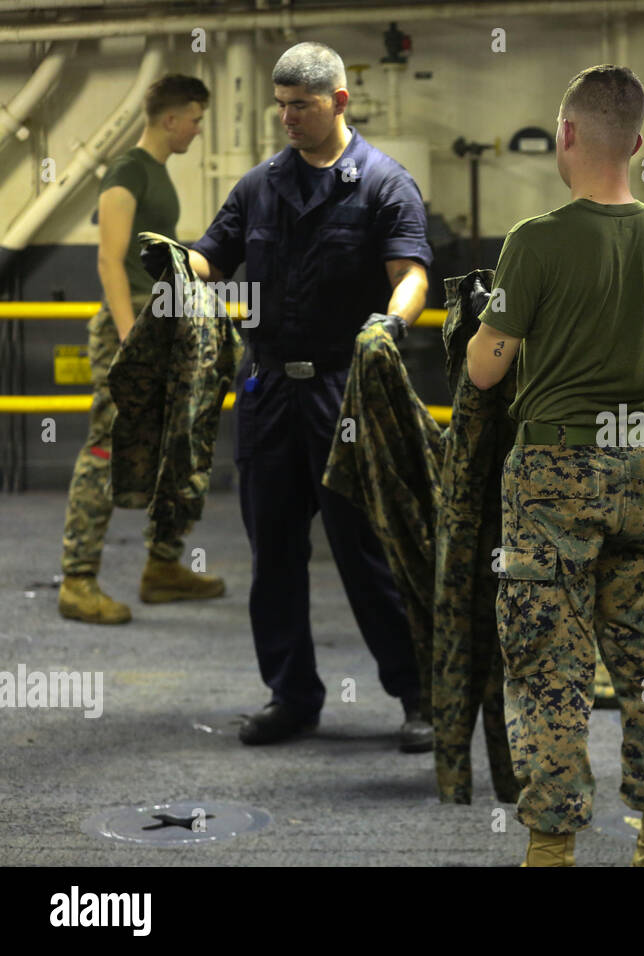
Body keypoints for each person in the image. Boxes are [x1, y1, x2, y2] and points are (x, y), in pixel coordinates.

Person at [467, 65, 644, 867]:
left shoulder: (534, 241)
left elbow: (487, 371)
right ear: (636, 143)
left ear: (566, 134)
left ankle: (553, 849)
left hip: (554, 476)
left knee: (548, 667)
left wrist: (482, 326)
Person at [176, 42, 434, 750]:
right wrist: (176, 261)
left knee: (366, 548)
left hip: (341, 392)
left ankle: (419, 694)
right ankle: (292, 696)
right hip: (266, 393)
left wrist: (392, 320)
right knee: (274, 553)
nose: (287, 117)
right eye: (281, 105)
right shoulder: (259, 185)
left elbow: (410, 273)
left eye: (302, 106)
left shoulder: (383, 183)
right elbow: (212, 254)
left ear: (340, 102)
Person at [58, 74, 224, 625]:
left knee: (177, 444)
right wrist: (130, 334)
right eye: (195, 120)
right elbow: (109, 259)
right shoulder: (128, 170)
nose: (198, 131)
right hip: (128, 326)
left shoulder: (156, 173)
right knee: (106, 447)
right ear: (171, 119)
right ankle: (78, 579)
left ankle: (163, 565)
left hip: (159, 324)